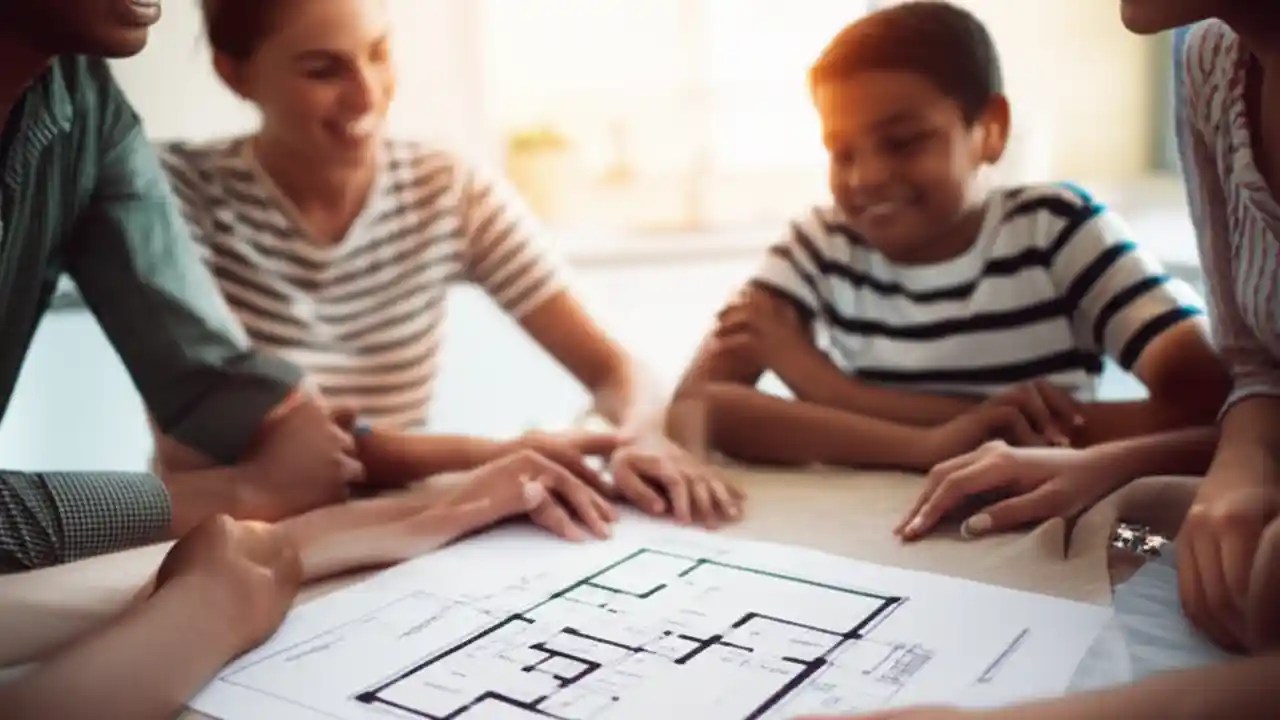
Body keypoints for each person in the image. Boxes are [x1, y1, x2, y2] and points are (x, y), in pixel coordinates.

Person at [156, 0, 741, 531]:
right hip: (222, 532)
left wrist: (636, 437)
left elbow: (617, 367)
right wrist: (496, 455)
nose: (367, 93)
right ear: (234, 73)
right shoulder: (176, 192)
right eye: (323, 70)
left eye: (379, 53)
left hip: (396, 522)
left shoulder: (445, 188)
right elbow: (281, 441)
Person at [670, 1, 1228, 473]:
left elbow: (1209, 402)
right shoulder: (820, 242)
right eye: (841, 152)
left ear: (991, 130)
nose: (865, 178)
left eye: (904, 142)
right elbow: (699, 406)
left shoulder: (1058, 228)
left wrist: (829, 389)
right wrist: (930, 445)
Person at [0, 0, 369, 574]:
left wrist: (491, 463)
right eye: (322, 68)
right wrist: (243, 493)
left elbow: (213, 379)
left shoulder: (86, 103)